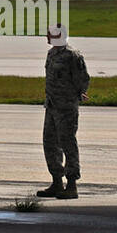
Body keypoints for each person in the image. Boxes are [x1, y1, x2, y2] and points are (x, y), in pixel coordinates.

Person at [36, 23, 88, 200]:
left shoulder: (72, 56)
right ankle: (57, 182)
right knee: (50, 143)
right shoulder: (51, 54)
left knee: (67, 143)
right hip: (51, 105)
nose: (47, 37)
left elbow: (83, 78)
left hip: (66, 107)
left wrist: (79, 93)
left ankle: (72, 184)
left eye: (49, 34)